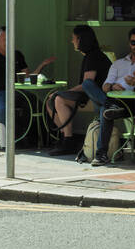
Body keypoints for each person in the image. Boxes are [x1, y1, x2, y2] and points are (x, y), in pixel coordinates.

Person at [91, 27, 135, 166]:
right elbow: (105, 86)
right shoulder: (118, 63)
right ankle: (101, 153)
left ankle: (101, 154)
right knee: (92, 89)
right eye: (133, 42)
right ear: (129, 43)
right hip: (116, 100)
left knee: (104, 110)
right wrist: (112, 87)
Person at [45, 25, 111, 156]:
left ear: (81, 40)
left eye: (74, 38)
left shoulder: (93, 57)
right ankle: (64, 138)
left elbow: (87, 85)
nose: (72, 41)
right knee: (50, 101)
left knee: (58, 99)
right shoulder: (91, 55)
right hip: (91, 97)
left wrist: (64, 92)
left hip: (97, 99)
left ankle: (68, 141)